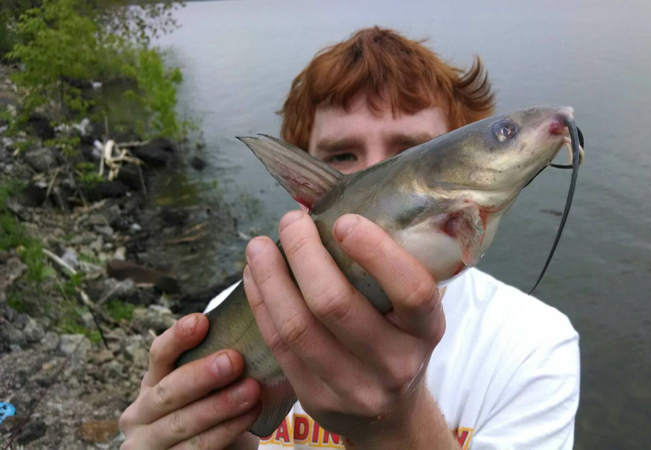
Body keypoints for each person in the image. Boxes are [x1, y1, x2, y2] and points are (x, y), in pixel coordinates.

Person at [119, 27, 580, 450]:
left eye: (407, 150)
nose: (367, 174)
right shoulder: (235, 306)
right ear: (301, 184)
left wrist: (400, 427)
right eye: (340, 155)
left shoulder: (533, 348)